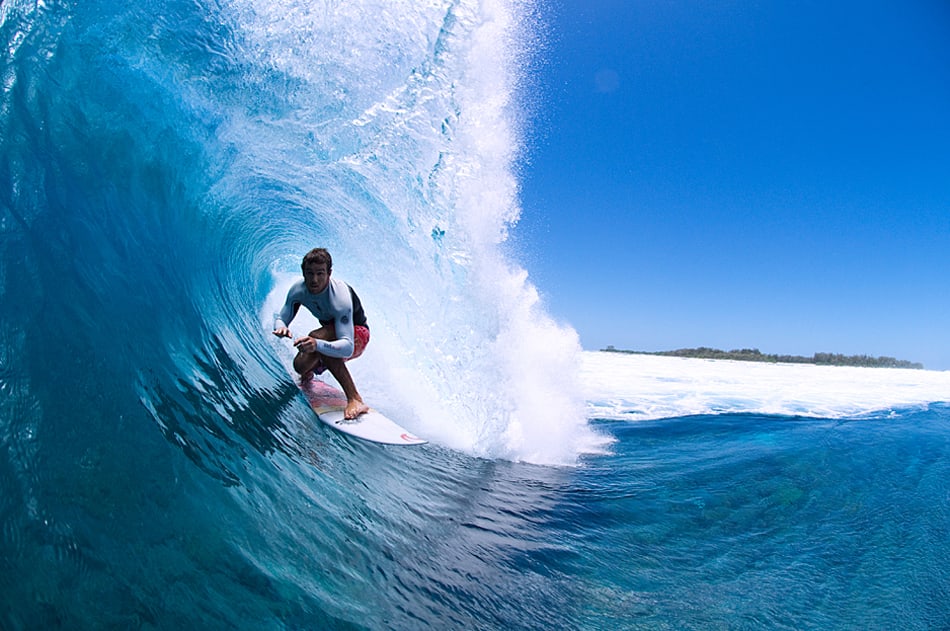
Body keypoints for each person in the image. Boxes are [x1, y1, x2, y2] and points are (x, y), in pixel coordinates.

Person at [272, 248, 370, 419]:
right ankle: (310, 372)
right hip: (330, 336)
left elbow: (347, 347)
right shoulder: (298, 290)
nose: (314, 280)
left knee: (317, 339)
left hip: (357, 335)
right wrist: (281, 327)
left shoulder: (339, 298)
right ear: (303, 272)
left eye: (320, 273)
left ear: (329, 273)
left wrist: (317, 345)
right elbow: (282, 317)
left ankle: (355, 398)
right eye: (309, 273)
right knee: (300, 366)